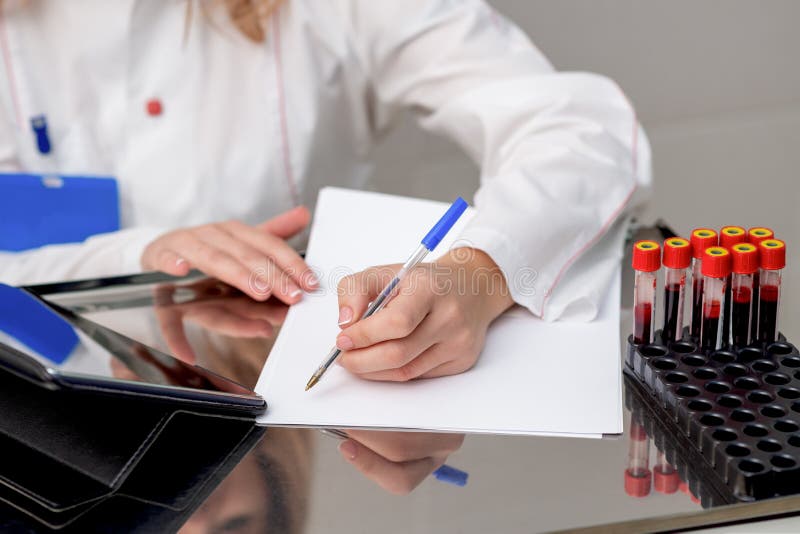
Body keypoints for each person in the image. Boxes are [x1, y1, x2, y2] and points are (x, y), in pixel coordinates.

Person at [0, 0, 651, 383]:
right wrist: (134, 258)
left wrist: (483, 272)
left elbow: (578, 129)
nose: (192, 522)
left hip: (307, 363)